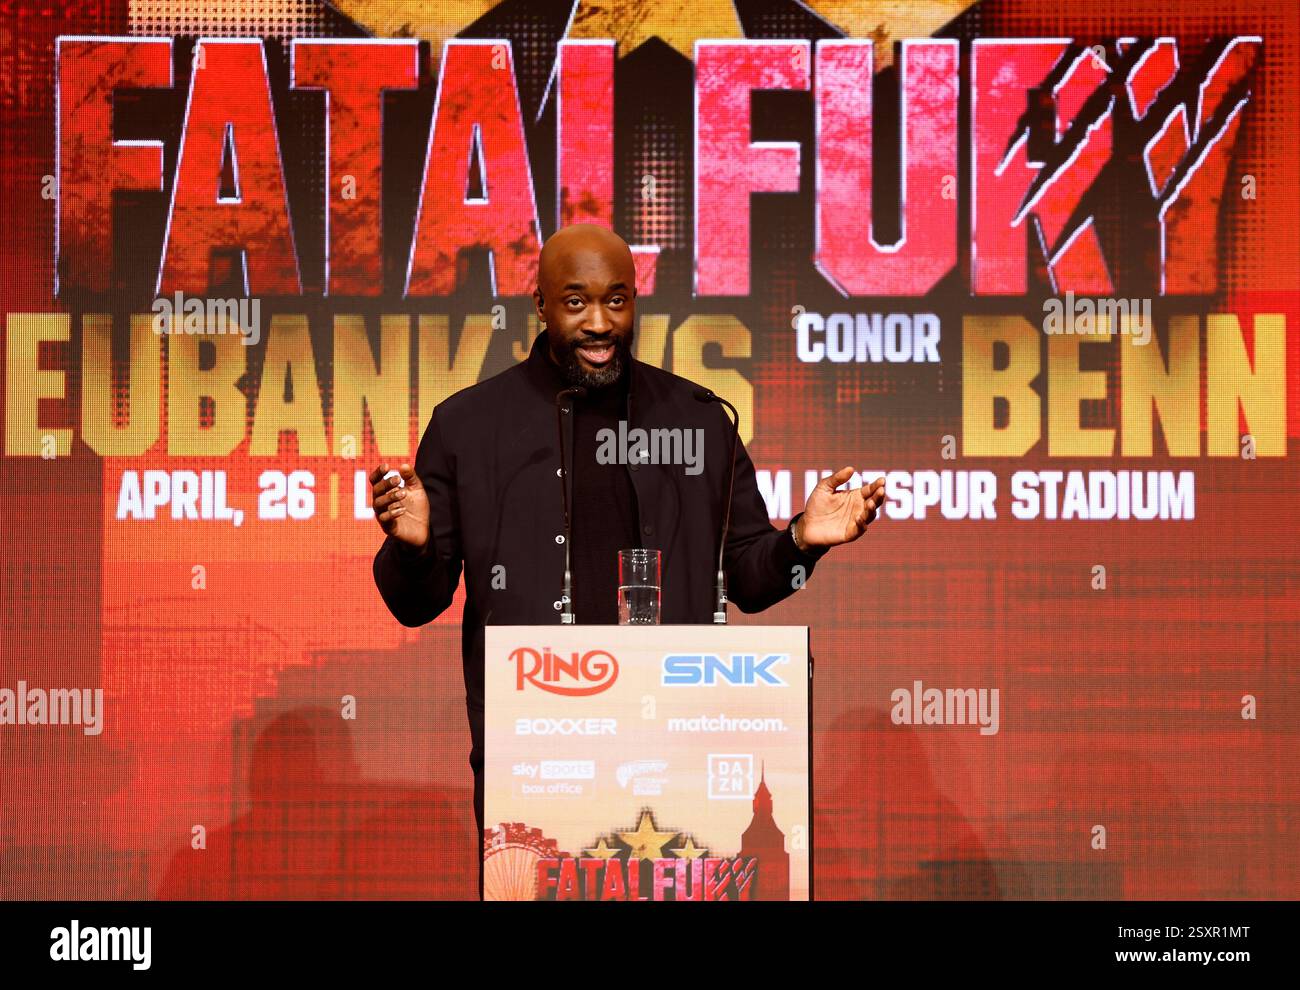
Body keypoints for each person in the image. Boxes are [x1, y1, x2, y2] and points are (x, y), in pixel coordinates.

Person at [370, 223, 887, 897]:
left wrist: (799, 543)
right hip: (536, 756)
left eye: (616, 301)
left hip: (675, 749)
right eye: (576, 301)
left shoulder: (698, 421)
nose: (598, 322)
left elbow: (751, 581)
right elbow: (419, 601)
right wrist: (410, 548)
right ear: (542, 306)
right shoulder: (471, 427)